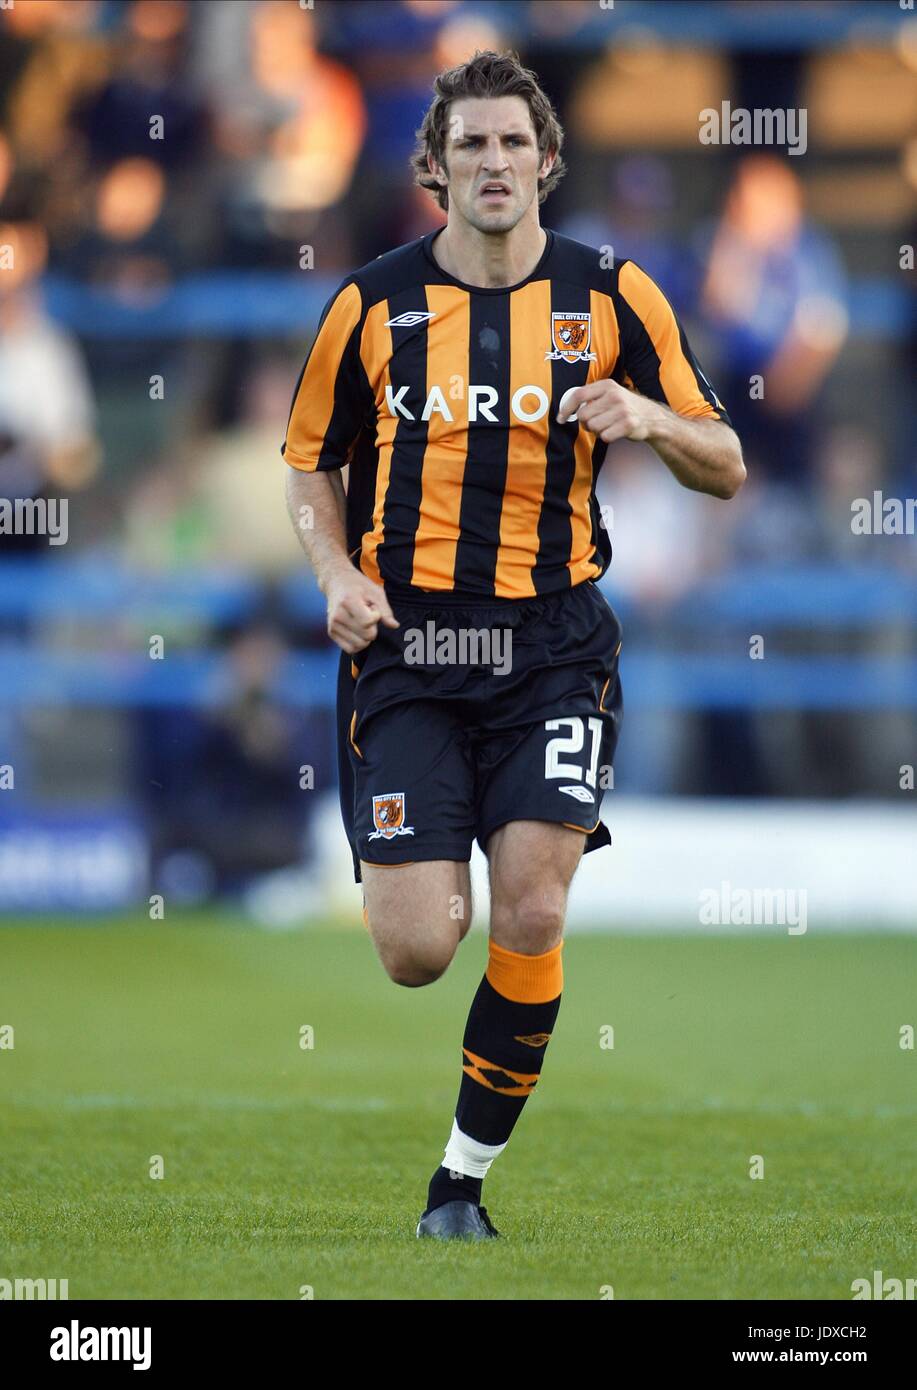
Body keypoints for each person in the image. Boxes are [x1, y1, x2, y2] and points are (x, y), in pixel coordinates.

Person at [282, 50, 744, 1240]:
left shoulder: (613, 297)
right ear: (433, 168)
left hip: (550, 643)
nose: (493, 164)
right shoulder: (371, 305)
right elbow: (307, 463)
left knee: (530, 911)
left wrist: (646, 416)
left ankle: (458, 1186)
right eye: (469, 145)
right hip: (406, 645)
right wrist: (333, 571)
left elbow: (725, 461)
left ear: (548, 160)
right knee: (416, 949)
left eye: (511, 143)